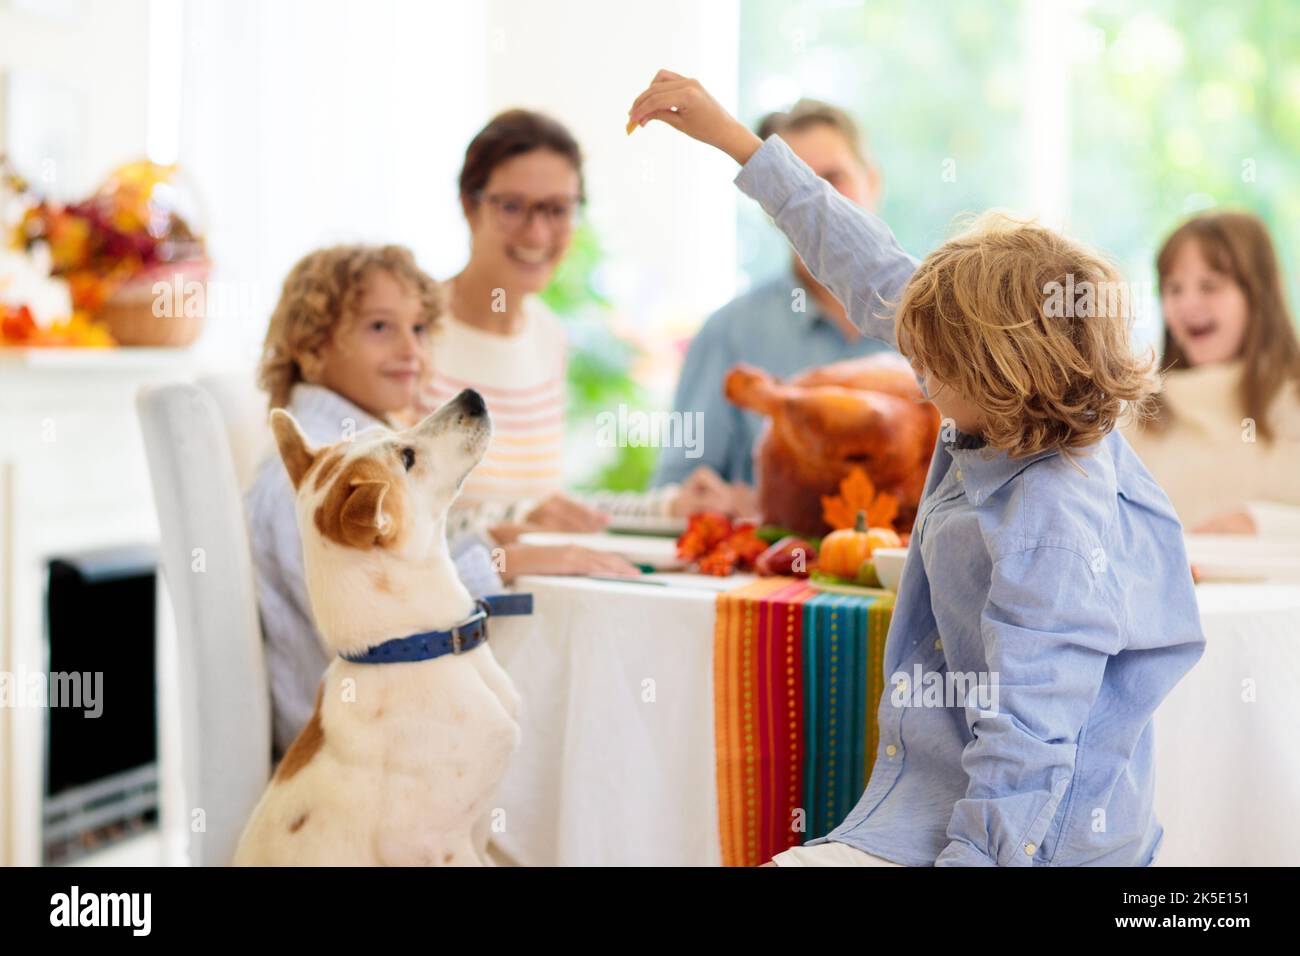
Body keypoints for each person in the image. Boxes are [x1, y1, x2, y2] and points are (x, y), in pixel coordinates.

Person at [628, 69, 1205, 866]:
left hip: (1026, 845)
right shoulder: (999, 399)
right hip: (925, 810)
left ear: (999, 368)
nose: (911, 359)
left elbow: (1030, 742)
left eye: (931, 355)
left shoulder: (1056, 517)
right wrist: (734, 138)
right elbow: (867, 264)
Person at [410, 110, 738, 578]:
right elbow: (392, 523)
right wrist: (521, 518)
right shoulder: (412, 335)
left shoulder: (546, 338)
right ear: (469, 203)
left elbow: (548, 508)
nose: (537, 233)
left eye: (557, 209)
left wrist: (671, 507)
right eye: (512, 207)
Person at [248, 245, 508, 758]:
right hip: (358, 751)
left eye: (418, 329)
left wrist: (495, 541)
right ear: (312, 347)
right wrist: (507, 565)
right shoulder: (312, 482)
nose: (411, 350)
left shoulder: (350, 449)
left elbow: (399, 562)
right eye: (380, 328)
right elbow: (386, 630)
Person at [652, 99, 897, 490]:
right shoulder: (729, 332)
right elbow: (677, 486)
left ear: (874, 181)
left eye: (834, 179)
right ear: (771, 206)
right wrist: (693, 498)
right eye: (795, 188)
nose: (820, 205)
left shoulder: (932, 325)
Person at [1124, 210, 1300, 534]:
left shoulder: (1292, 401)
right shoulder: (1137, 418)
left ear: (1258, 296)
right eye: (1174, 288)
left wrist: (1259, 524)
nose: (1188, 304)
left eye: (1209, 286)